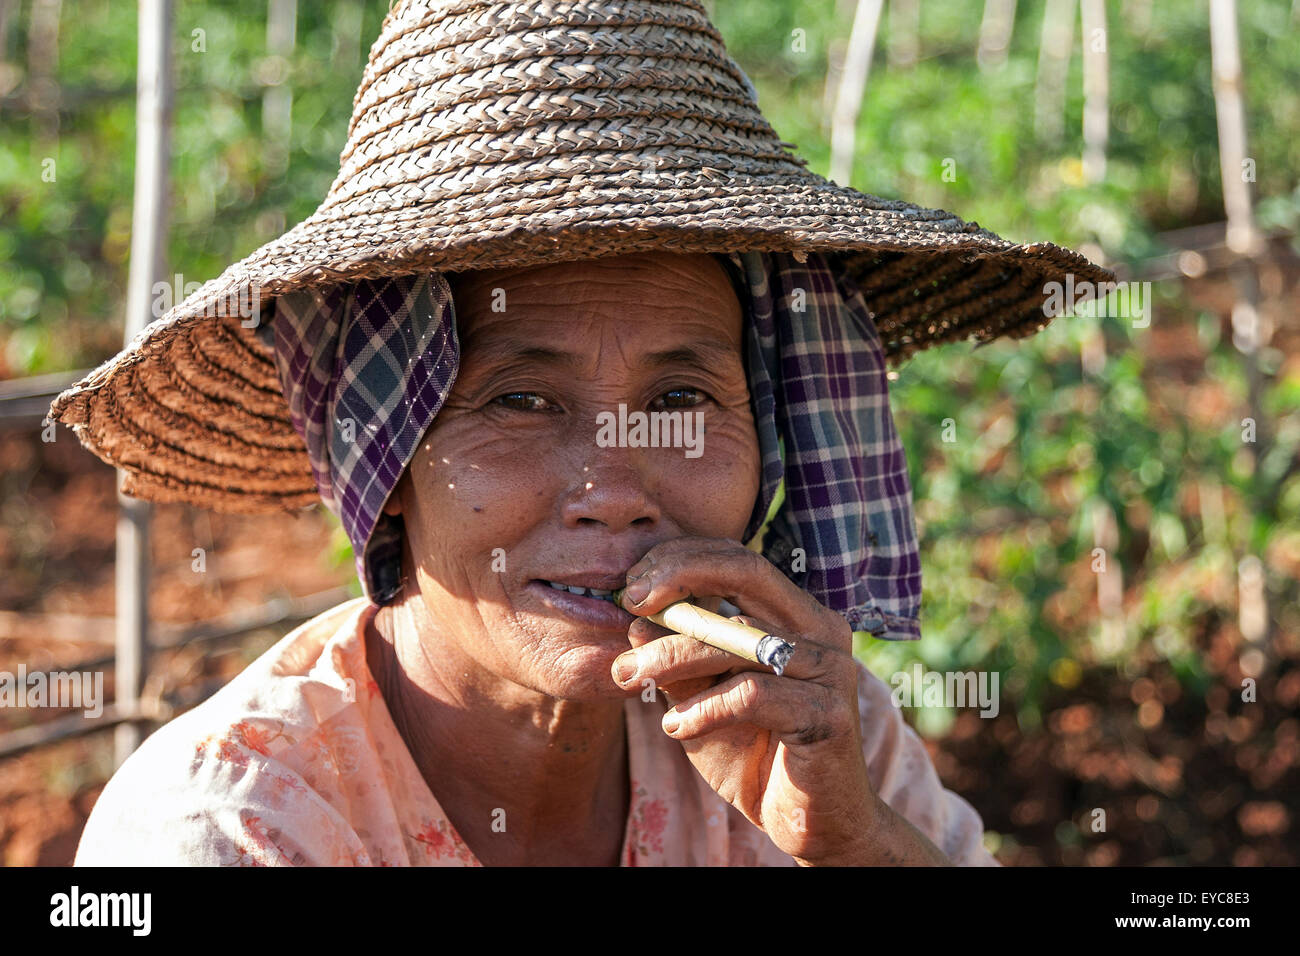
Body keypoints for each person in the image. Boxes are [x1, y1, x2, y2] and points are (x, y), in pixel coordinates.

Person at [51, 0, 1111, 866]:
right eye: (519, 400)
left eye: (683, 401)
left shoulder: (812, 734)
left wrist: (855, 844)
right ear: (382, 459)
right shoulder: (235, 831)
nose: (617, 487)